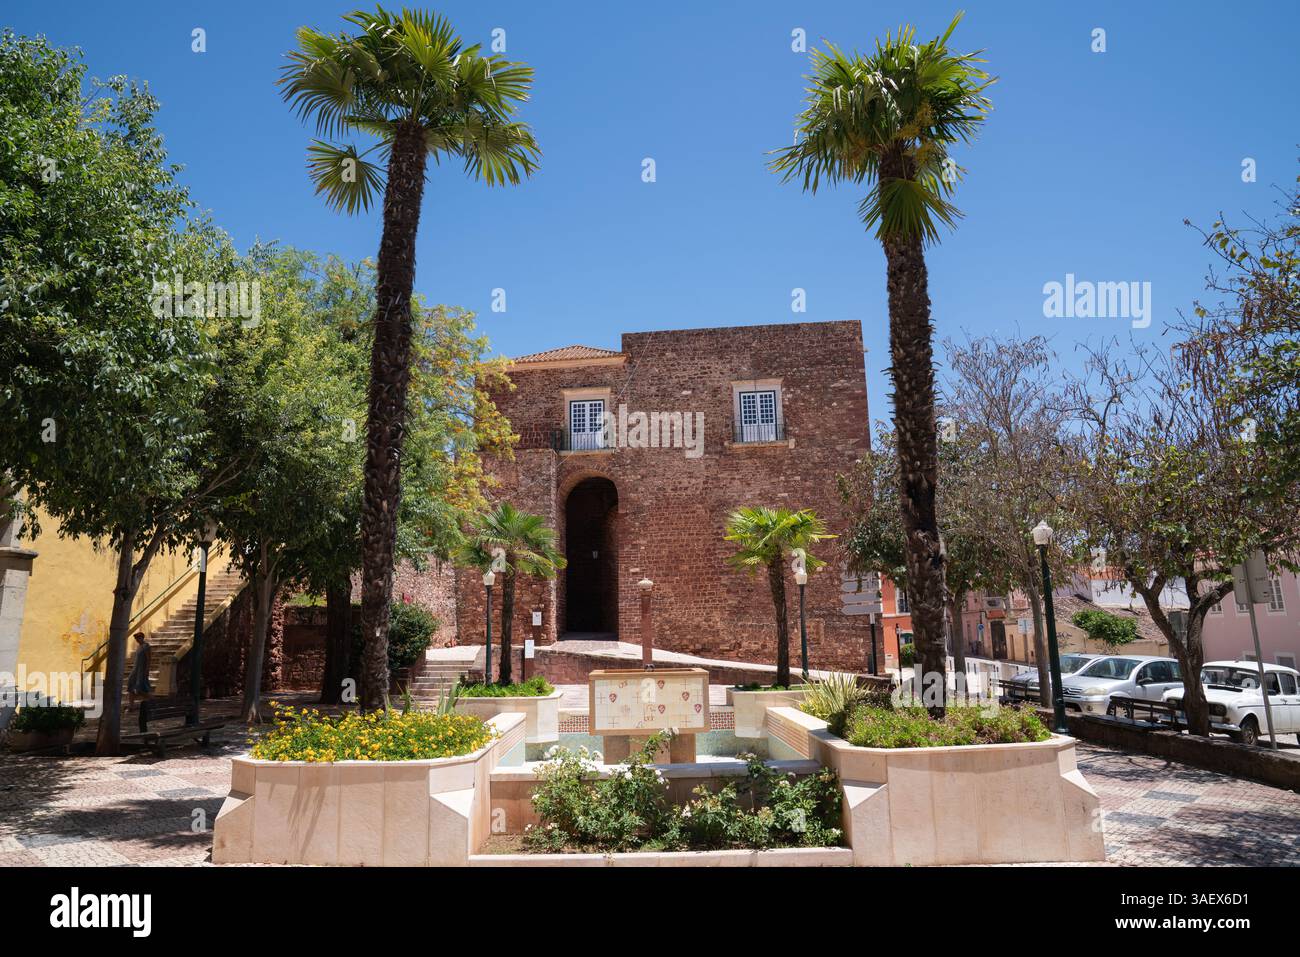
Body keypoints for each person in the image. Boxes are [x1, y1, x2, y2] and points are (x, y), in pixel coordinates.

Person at [126, 632, 152, 711]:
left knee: (140, 689)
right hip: (135, 669)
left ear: (142, 637)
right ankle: (131, 706)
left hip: (142, 670)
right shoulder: (139, 647)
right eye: (136, 638)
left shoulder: (146, 646)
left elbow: (148, 659)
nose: (137, 640)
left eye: (138, 638)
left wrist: (147, 670)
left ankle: (152, 701)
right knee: (130, 686)